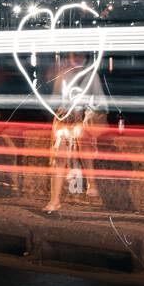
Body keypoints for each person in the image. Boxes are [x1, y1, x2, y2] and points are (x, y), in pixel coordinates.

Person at [43, 50, 109, 214]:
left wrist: (85, 111)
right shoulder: (62, 75)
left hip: (83, 120)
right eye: (75, 55)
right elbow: (55, 100)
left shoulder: (91, 76)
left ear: (86, 58)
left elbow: (101, 103)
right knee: (59, 157)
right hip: (64, 120)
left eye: (81, 56)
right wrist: (61, 111)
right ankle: (54, 200)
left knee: (82, 137)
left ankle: (91, 183)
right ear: (69, 57)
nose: (78, 59)